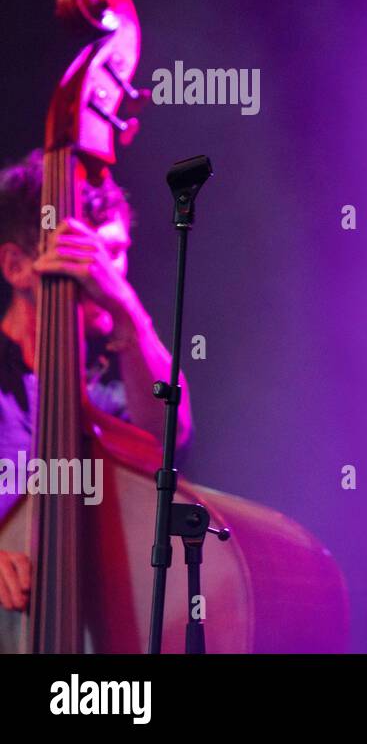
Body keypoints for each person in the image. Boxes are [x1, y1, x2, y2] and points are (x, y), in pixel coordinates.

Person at [0, 150, 193, 618]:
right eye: (90, 254)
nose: (107, 275)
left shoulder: (101, 397)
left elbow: (171, 435)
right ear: (17, 266)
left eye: (117, 252)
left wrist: (128, 310)